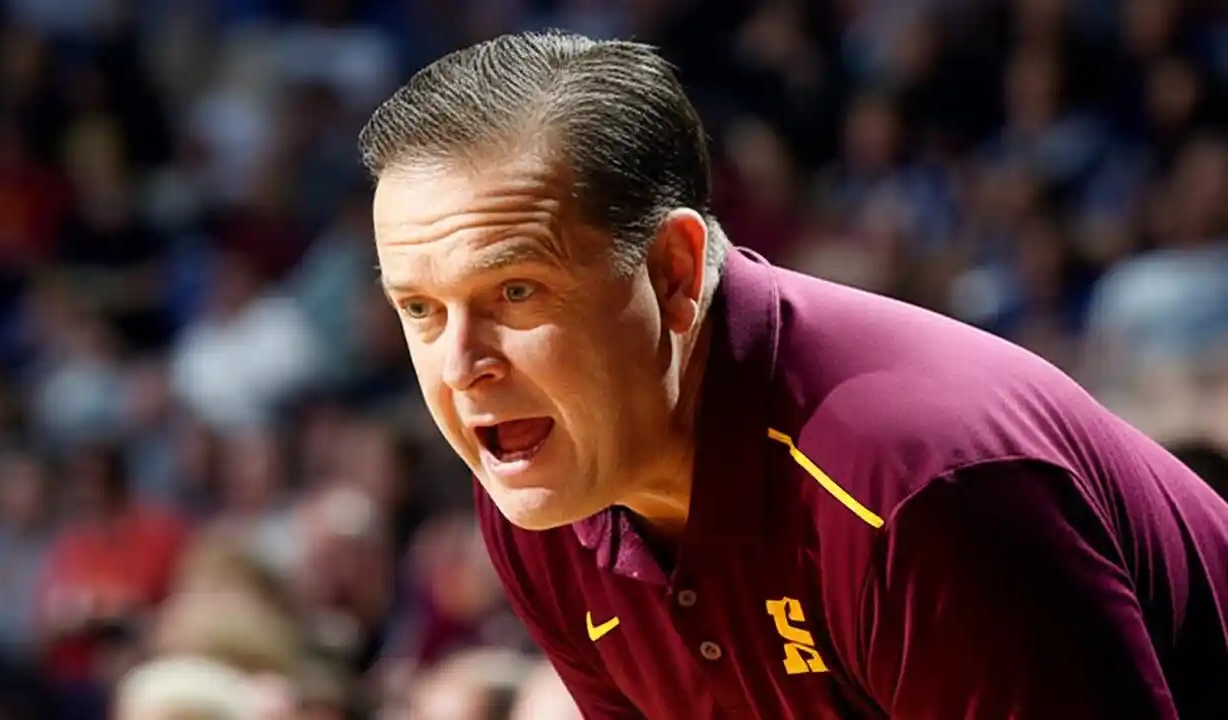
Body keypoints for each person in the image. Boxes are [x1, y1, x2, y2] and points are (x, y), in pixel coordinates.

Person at [358, 31, 1228, 719]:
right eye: (422, 310)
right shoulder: (544, 485)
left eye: (515, 291)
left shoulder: (917, 489)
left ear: (674, 273)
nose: (463, 367)